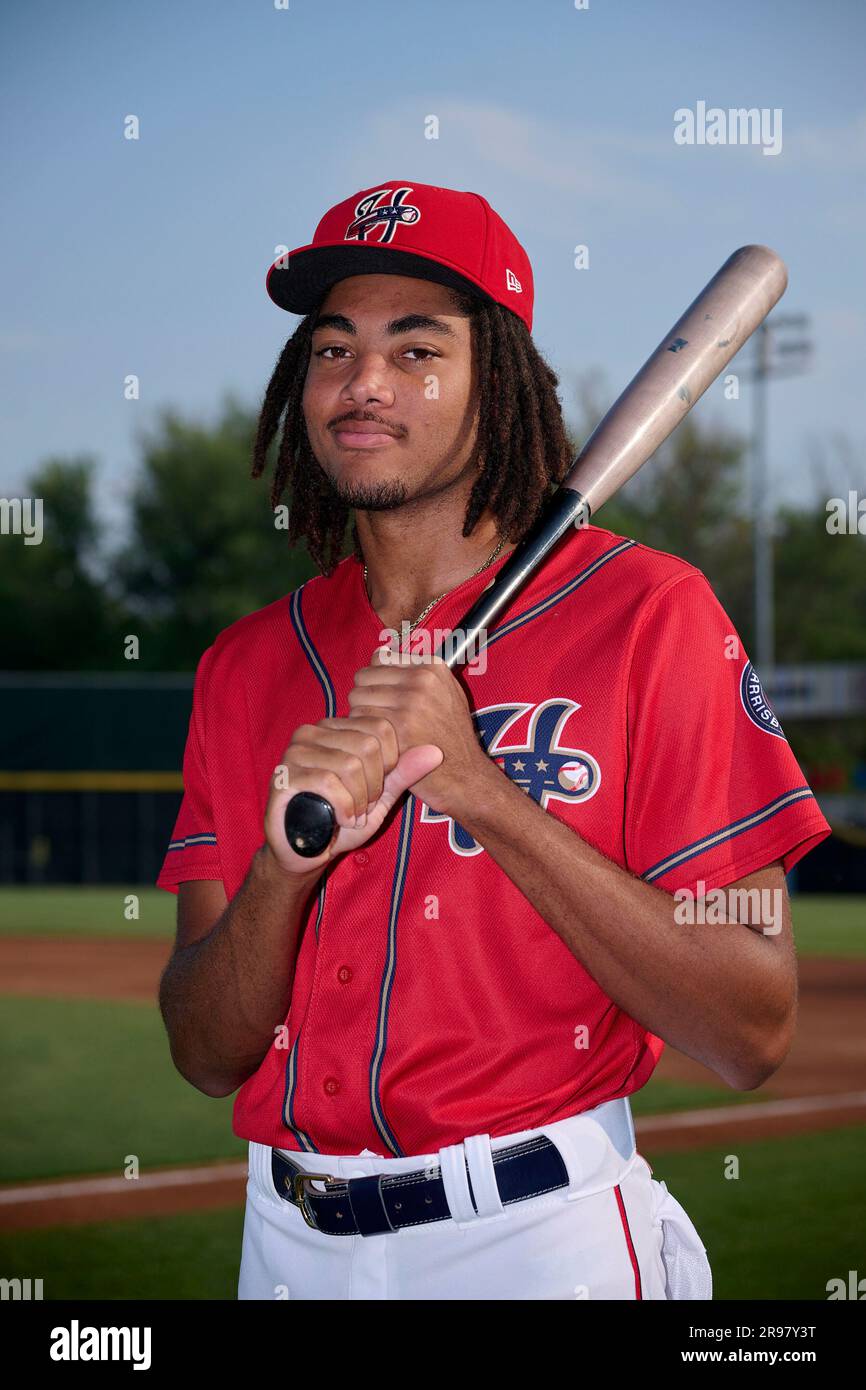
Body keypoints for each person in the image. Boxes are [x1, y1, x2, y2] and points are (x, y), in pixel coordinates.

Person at [156, 180, 831, 1300]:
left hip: (532, 1240)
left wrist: (480, 792)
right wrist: (284, 868)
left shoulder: (649, 617)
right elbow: (203, 1048)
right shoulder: (245, 666)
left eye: (416, 349)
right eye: (332, 349)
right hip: (280, 1248)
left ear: (498, 380)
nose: (362, 383)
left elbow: (752, 1023)